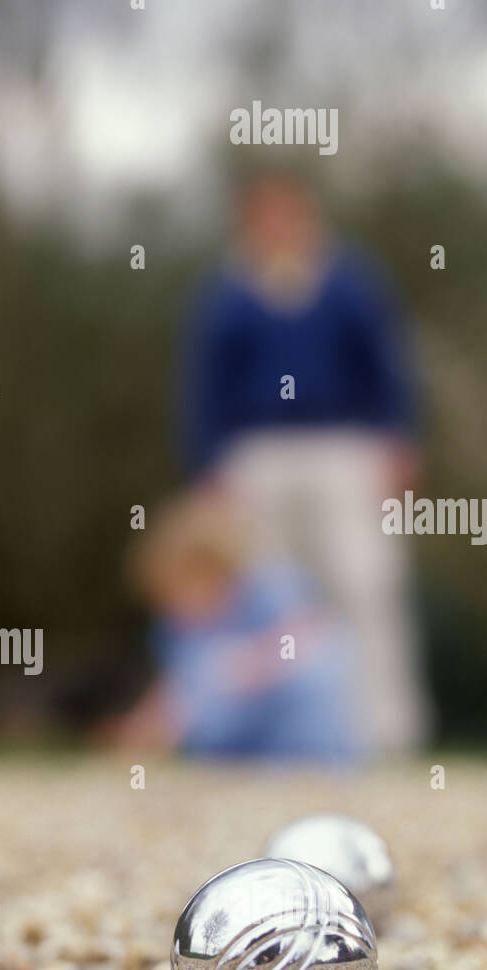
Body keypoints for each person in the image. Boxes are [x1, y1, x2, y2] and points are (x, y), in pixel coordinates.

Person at [182, 165, 429, 753]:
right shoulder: (227, 293)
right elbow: (204, 386)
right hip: (257, 456)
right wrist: (207, 465)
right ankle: (280, 731)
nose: (275, 223)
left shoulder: (351, 281)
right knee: (266, 593)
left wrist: (399, 438)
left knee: (363, 582)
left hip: (343, 449)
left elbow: (387, 364)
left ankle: (387, 729)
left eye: (284, 209)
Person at [103, 493, 361, 760]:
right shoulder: (180, 630)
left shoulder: (267, 590)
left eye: (178, 592)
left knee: (294, 679)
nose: (173, 609)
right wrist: (146, 725)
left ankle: (310, 760)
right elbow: (179, 689)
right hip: (232, 739)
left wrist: (247, 666)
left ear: (211, 569)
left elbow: (311, 635)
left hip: (293, 725)